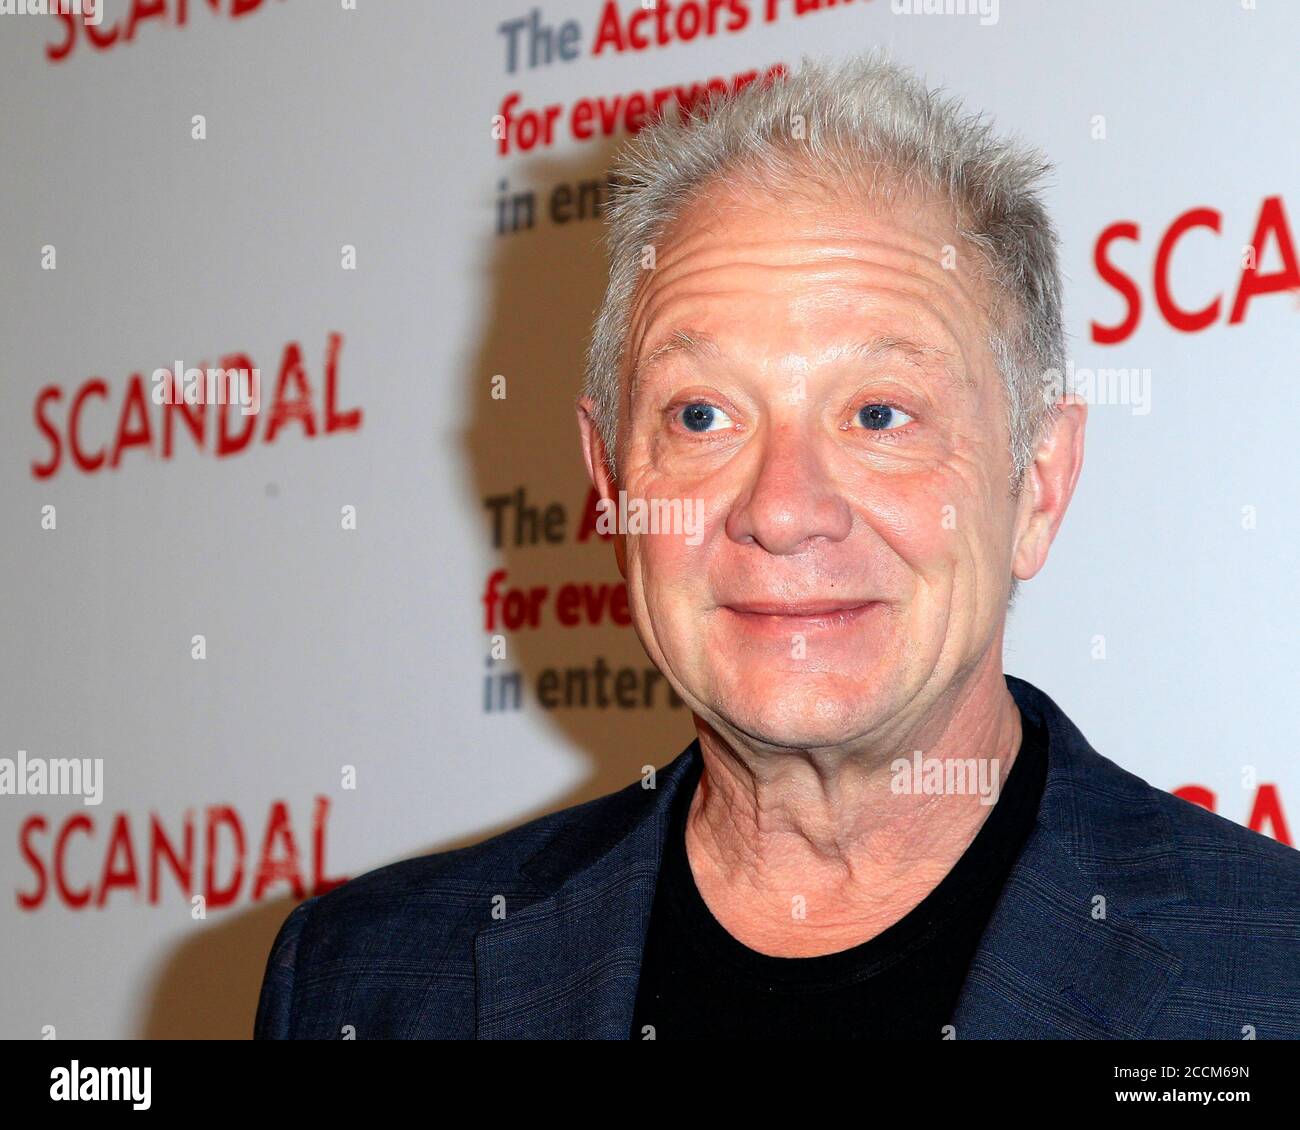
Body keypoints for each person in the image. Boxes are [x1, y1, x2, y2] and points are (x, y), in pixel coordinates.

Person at [255, 52, 1300, 1040]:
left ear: (1037, 482)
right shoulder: (369, 982)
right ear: (612, 483)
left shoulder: (1271, 970)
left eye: (880, 413)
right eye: (702, 416)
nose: (783, 508)